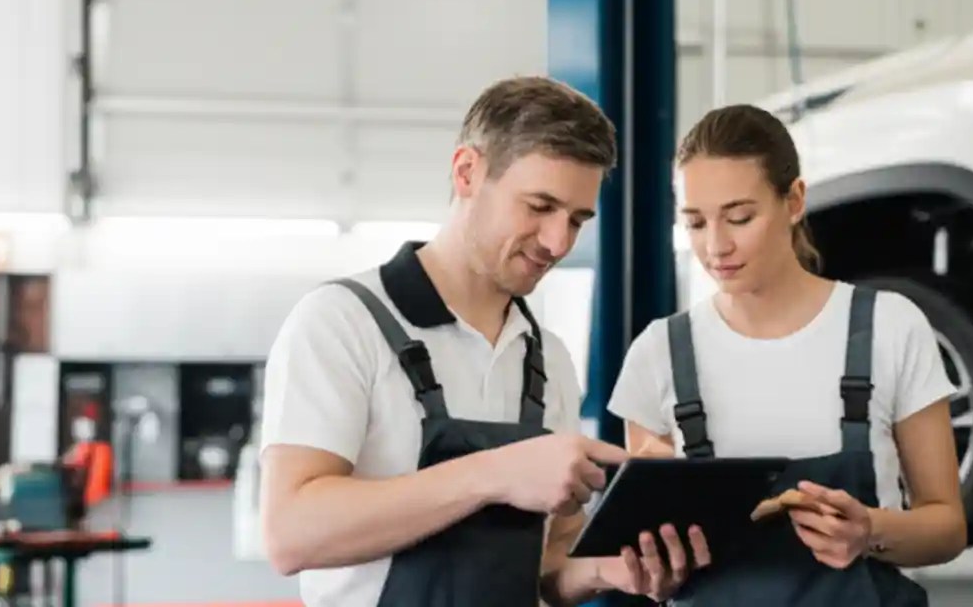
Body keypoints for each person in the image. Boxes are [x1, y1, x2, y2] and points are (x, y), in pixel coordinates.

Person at [258, 76, 706, 607]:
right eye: (539, 207)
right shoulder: (340, 323)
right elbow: (290, 533)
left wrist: (607, 572)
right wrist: (494, 474)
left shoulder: (547, 360)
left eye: (577, 220)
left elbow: (547, 565)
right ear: (467, 172)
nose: (558, 242)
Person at [606, 104, 967, 604]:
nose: (716, 246)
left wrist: (870, 530)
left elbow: (947, 527)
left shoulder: (889, 327)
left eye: (739, 217)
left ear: (794, 200)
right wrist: (654, 572)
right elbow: (648, 555)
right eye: (695, 223)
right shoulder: (658, 353)